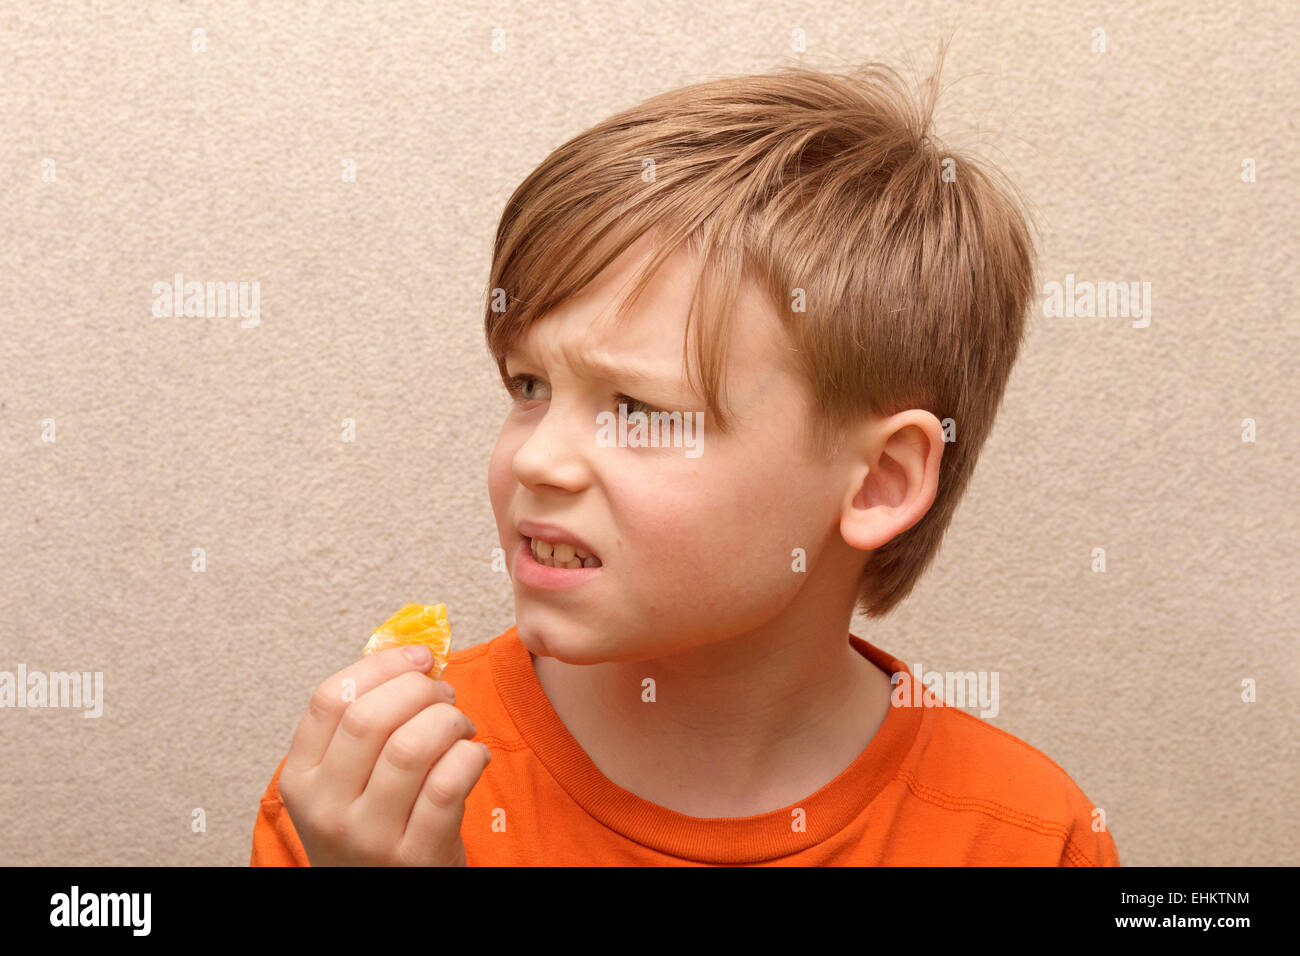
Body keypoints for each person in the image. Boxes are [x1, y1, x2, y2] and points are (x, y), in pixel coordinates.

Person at [251, 54, 1120, 866]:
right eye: (528, 385)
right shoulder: (369, 804)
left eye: (639, 411)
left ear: (880, 481)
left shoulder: (1030, 838)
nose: (540, 460)